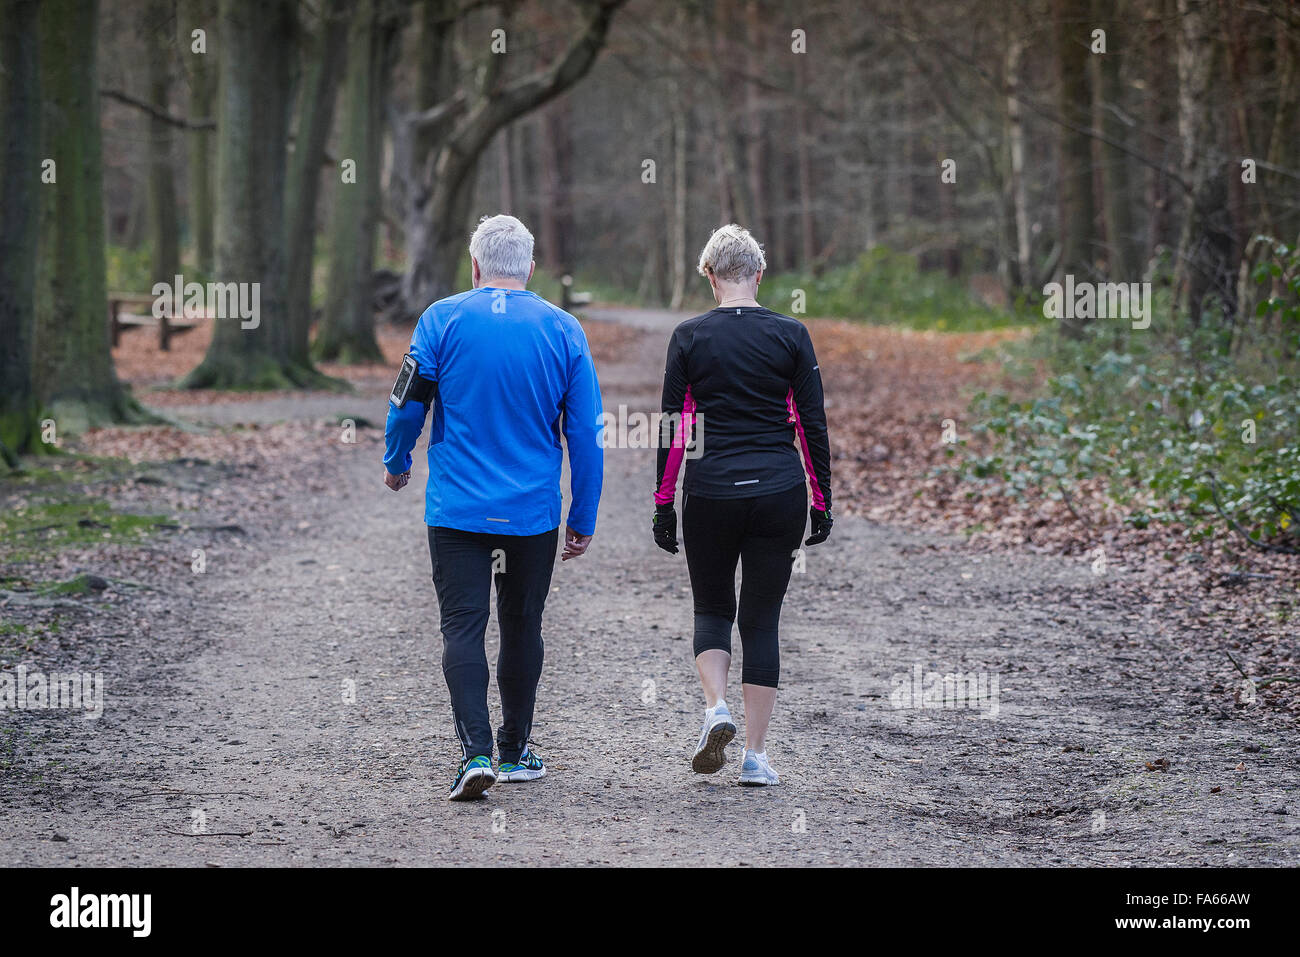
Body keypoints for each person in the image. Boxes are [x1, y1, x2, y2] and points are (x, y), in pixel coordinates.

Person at [383, 214, 604, 801]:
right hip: (531, 511)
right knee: (521, 625)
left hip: (457, 508)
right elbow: (585, 432)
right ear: (530, 269)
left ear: (474, 265)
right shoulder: (563, 330)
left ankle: (474, 753)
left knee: (462, 626)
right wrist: (583, 516)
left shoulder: (442, 319)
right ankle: (513, 752)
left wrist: (397, 458)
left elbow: (408, 405)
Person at [653, 223, 833, 786]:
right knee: (761, 620)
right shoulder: (791, 334)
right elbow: (810, 423)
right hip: (779, 492)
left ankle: (716, 710)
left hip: (709, 492)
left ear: (710, 276)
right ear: (758, 274)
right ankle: (755, 757)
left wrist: (663, 503)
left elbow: (675, 427)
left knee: (711, 610)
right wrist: (821, 501)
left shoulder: (688, 336)